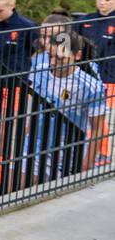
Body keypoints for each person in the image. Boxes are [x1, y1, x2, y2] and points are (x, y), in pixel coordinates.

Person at [30, 28, 108, 174]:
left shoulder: (91, 86)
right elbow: (33, 111)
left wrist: (86, 165)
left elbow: (97, 129)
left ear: (77, 55)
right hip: (35, 147)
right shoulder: (39, 72)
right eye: (50, 56)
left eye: (60, 58)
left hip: (68, 152)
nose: (53, 62)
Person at [74, 0, 115, 161]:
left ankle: (102, 153)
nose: (102, 3)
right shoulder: (85, 21)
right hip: (87, 76)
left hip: (110, 77)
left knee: (101, 116)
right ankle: (88, 150)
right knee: (88, 114)